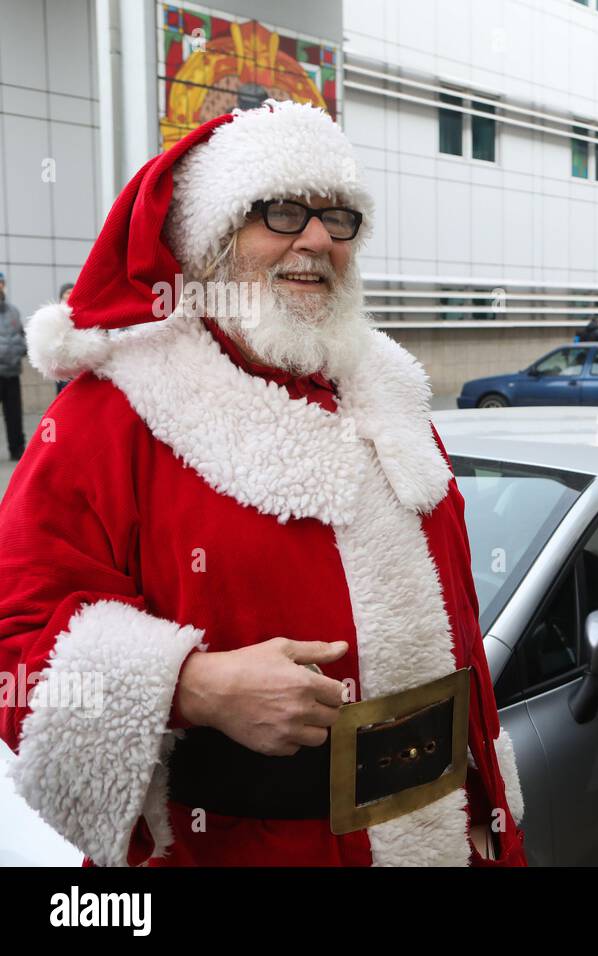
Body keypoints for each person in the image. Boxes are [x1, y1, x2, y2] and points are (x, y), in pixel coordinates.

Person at [0, 101, 525, 866]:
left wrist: (488, 810)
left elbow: (460, 636)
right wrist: (191, 686)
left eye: (339, 217)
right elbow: (15, 638)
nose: (318, 239)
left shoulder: (391, 391)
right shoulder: (115, 412)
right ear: (211, 243)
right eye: (281, 213)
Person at [0, 272, 24, 460]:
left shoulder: (13, 311)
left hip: (12, 372)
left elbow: (22, 335)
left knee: (14, 415)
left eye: (0, 283)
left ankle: (17, 449)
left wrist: (21, 350)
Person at [54, 283, 74, 393]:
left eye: (73, 291)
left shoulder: (82, 312)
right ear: (61, 296)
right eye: (67, 292)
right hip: (61, 363)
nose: (70, 294)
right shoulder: (56, 314)